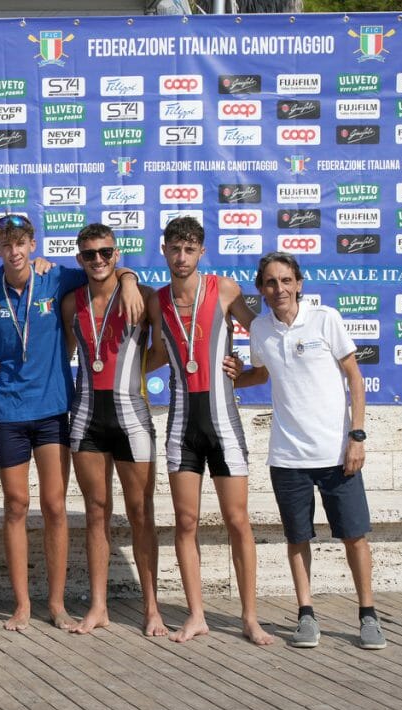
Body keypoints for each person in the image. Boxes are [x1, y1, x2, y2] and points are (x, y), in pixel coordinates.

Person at [0, 215, 143, 632]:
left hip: (52, 410)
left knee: (54, 507)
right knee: (15, 506)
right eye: (5, 244)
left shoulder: (57, 279)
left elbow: (103, 269)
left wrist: (132, 278)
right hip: (9, 410)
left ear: (32, 244)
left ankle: (57, 603)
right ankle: (22, 604)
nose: (14, 251)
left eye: (21, 243)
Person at [228, 252, 385, 649]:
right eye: (269, 282)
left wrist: (357, 437)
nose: (278, 289)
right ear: (261, 289)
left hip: (337, 454)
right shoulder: (260, 329)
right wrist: (235, 378)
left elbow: (355, 378)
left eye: (285, 281)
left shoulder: (325, 319)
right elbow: (263, 372)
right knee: (297, 539)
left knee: (355, 537)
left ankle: (368, 616)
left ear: (299, 283)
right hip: (287, 457)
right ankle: (306, 615)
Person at [144, 216, 274, 645]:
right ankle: (196, 614)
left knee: (237, 520)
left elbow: (266, 333)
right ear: (164, 250)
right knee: (185, 521)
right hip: (182, 425)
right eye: (174, 249)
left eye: (189, 249)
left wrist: (249, 372)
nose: (181, 257)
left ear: (201, 252)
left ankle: (250, 617)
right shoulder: (157, 301)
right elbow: (157, 354)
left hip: (223, 424)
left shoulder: (227, 290)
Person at [61, 224, 167, 637]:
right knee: (95, 513)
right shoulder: (72, 302)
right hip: (86, 416)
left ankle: (152, 609)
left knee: (141, 513)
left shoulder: (142, 296)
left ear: (117, 253)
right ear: (80, 260)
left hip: (132, 416)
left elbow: (160, 349)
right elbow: (65, 353)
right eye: (90, 254)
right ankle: (99, 607)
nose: (99, 260)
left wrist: (130, 278)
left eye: (106, 253)